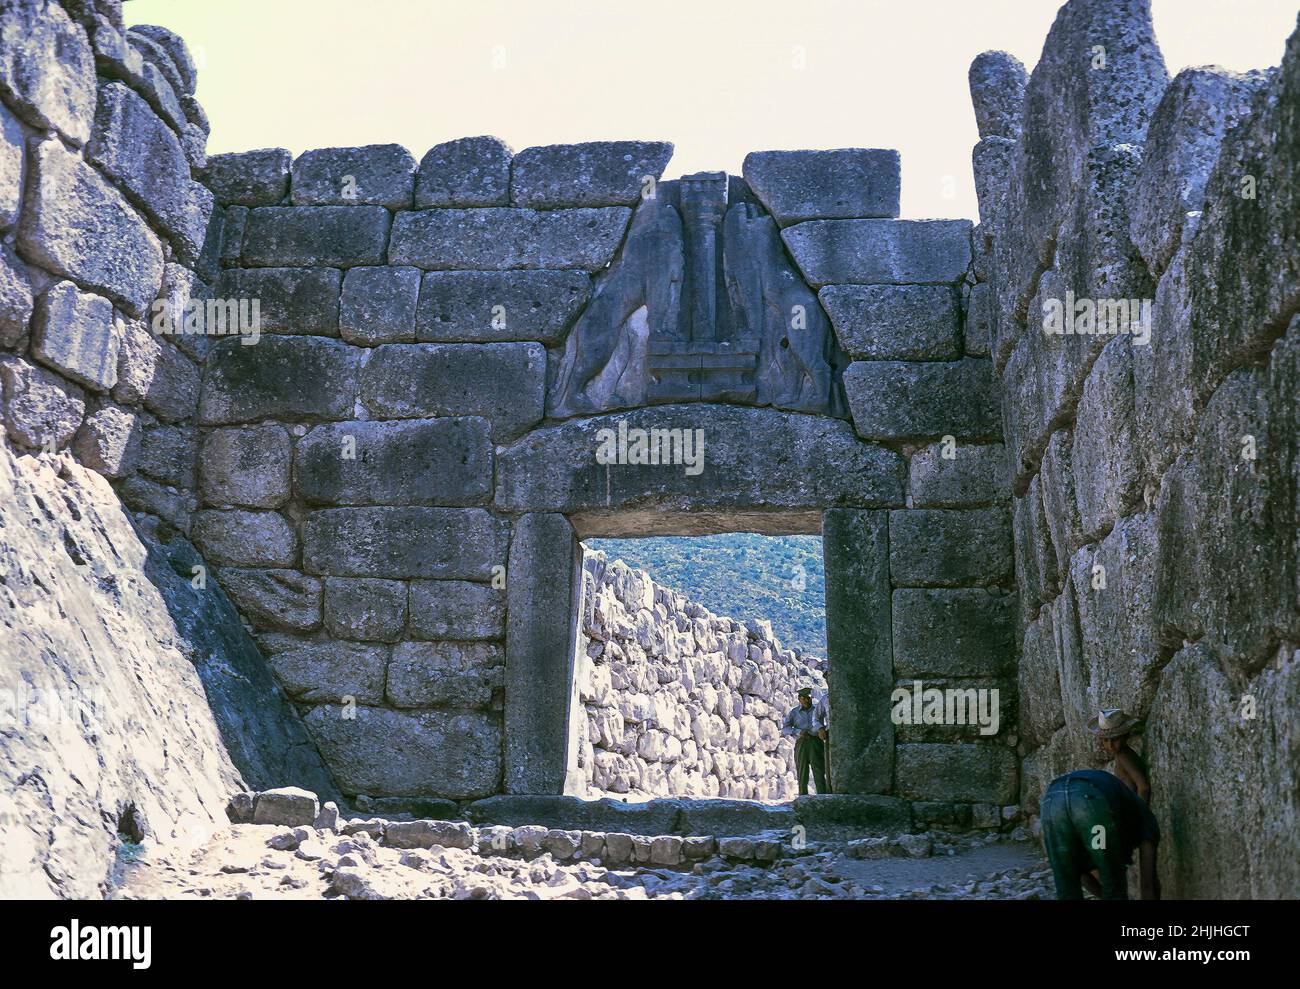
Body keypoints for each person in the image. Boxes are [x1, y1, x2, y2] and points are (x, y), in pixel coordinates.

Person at [1039, 709, 1160, 900]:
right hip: (1090, 808)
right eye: (1106, 740)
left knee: (1069, 875)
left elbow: (1143, 787)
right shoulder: (1144, 825)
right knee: (1109, 873)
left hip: (1052, 802)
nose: (1110, 745)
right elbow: (1148, 883)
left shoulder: (1124, 758)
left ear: (1126, 735)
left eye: (1114, 739)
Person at [782, 686, 829, 795]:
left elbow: (826, 722)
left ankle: (822, 797)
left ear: (811, 698)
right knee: (802, 771)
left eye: (808, 698)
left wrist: (821, 730)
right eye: (803, 698)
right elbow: (785, 729)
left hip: (816, 742)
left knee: (819, 771)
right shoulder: (794, 713)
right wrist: (798, 731)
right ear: (799, 699)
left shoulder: (817, 710)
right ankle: (802, 798)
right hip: (801, 743)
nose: (806, 701)